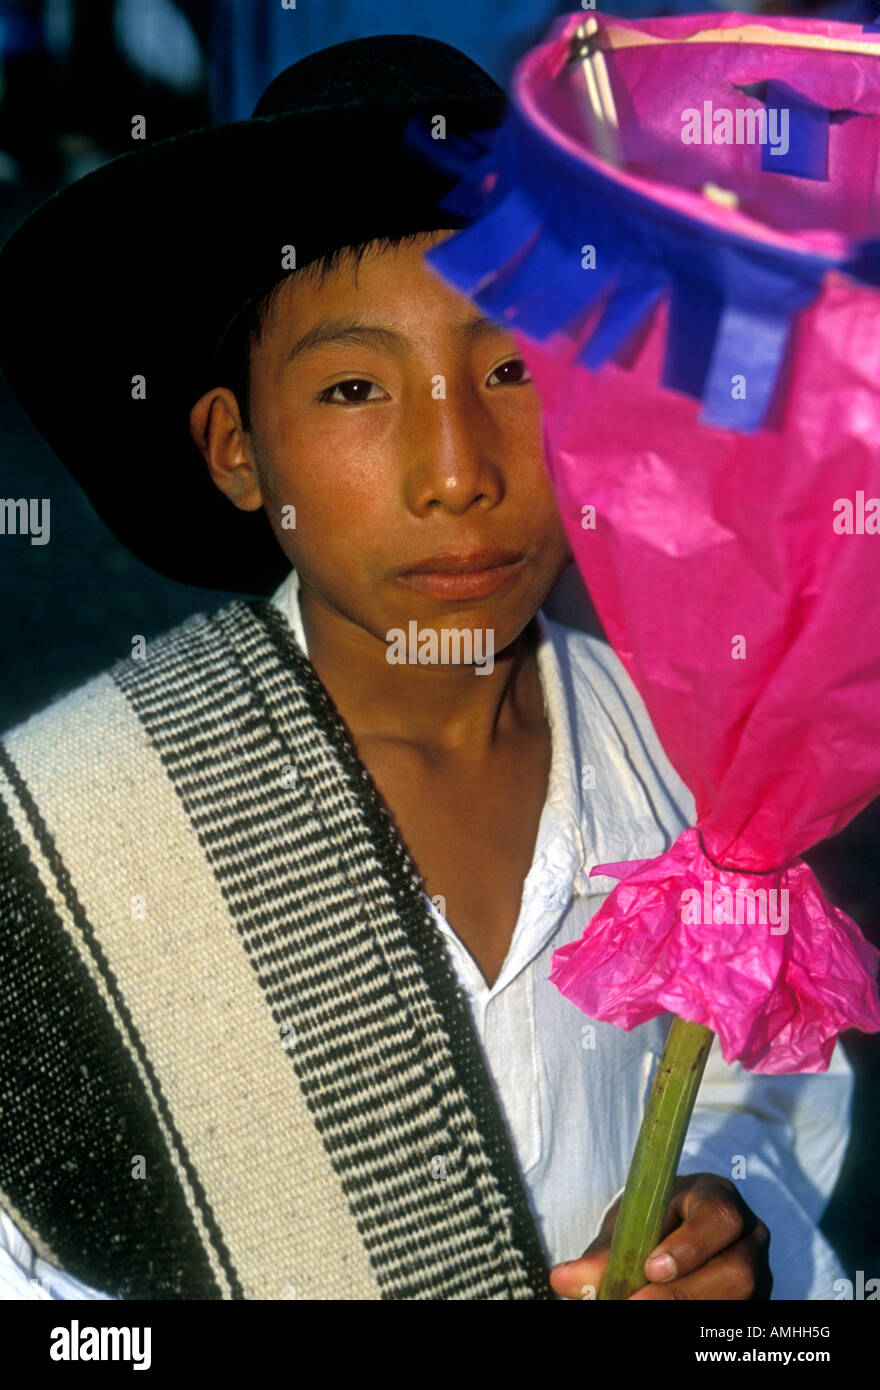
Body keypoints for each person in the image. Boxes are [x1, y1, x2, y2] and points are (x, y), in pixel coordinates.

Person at [0, 33, 852, 1301]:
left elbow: (763, 1079)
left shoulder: (694, 770)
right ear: (237, 451)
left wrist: (727, 1213)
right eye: (353, 387)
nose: (458, 470)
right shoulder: (61, 831)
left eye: (514, 368)